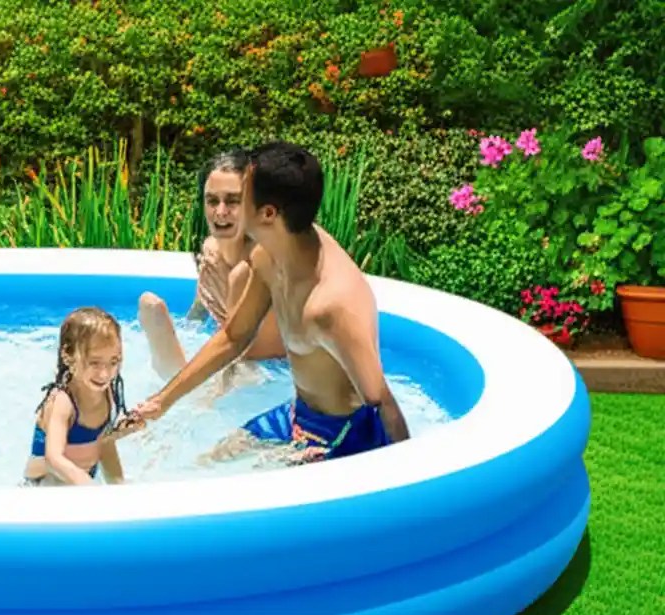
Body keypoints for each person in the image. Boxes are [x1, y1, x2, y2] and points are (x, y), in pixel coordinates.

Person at [129, 141, 409, 465]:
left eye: (241, 195)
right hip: (296, 415)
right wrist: (162, 402)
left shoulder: (330, 306)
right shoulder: (268, 257)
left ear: (268, 213)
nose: (227, 209)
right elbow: (234, 337)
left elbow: (380, 402)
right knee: (205, 464)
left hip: (345, 435)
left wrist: (406, 482)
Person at [137, 149, 285, 395]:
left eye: (233, 201)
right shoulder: (212, 250)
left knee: (237, 372)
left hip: (268, 374)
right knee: (150, 307)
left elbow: (252, 354)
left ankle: (185, 404)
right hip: (226, 362)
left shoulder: (263, 263)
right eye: (212, 200)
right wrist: (186, 332)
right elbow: (198, 314)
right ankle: (177, 392)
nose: (220, 211)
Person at [22, 307, 137, 486]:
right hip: (43, 487)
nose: (105, 374)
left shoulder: (108, 395)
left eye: (113, 362)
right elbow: (54, 459)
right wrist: (91, 489)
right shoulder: (63, 401)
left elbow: (105, 446)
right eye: (94, 363)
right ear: (68, 356)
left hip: (81, 481)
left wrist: (118, 485)